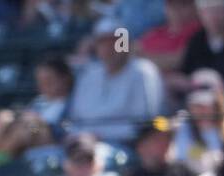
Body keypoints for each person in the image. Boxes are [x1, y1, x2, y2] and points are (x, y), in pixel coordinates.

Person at [66, 17, 164, 145]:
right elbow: (76, 119)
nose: (109, 47)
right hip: (84, 144)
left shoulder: (142, 71)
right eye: (103, 42)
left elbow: (143, 124)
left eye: (116, 41)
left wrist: (99, 137)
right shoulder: (88, 74)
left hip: (126, 145)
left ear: (127, 43)